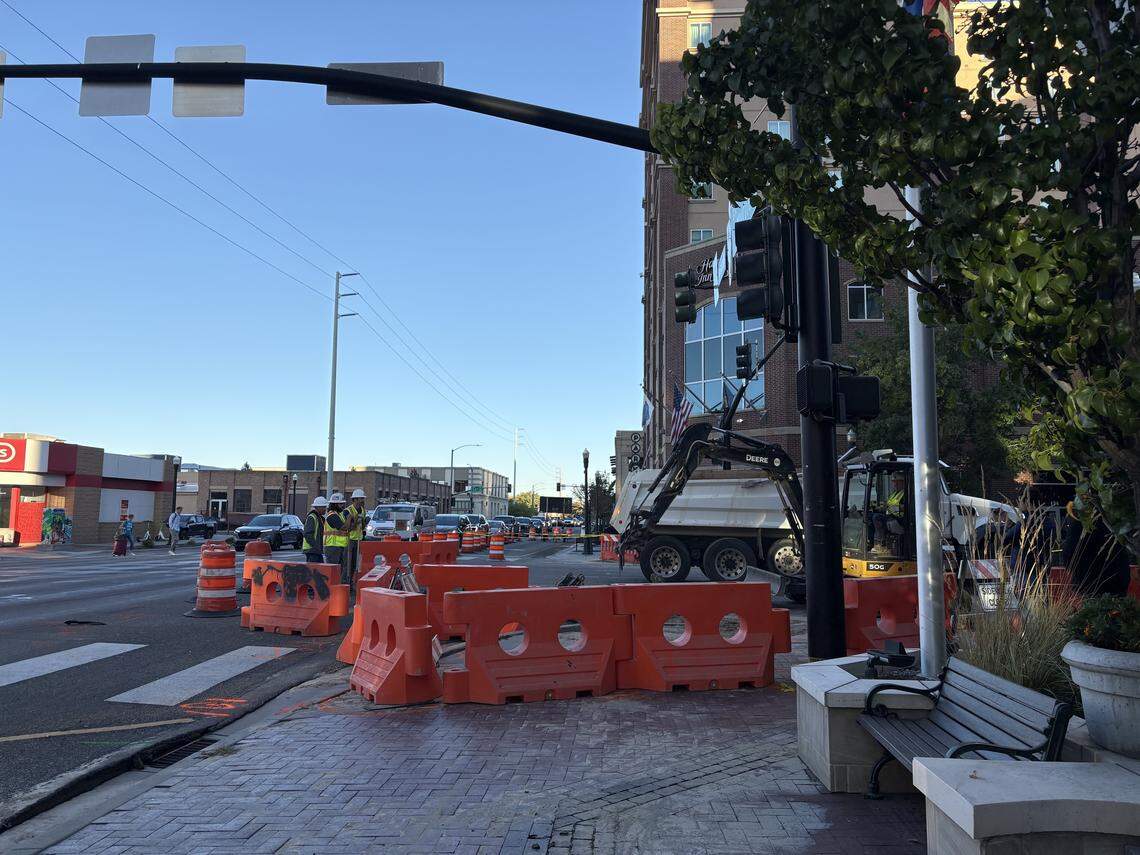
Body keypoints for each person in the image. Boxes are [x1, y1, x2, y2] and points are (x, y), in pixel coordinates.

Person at [324, 493, 350, 584]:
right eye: (340, 504)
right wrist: (349, 518)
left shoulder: (339, 515)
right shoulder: (332, 516)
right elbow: (344, 527)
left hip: (339, 546)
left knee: (339, 570)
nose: (343, 506)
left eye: (343, 503)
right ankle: (331, 588)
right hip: (332, 546)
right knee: (333, 571)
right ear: (335, 504)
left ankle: (336, 587)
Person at [346, 488, 368, 590]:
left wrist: (364, 522)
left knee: (356, 563)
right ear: (355, 499)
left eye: (363, 498)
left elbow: (363, 526)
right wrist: (355, 521)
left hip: (359, 539)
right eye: (361, 498)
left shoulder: (363, 510)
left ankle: (353, 582)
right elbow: (348, 527)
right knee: (349, 562)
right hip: (350, 539)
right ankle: (348, 582)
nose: (362, 501)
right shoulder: (348, 510)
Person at [302, 496, 328, 564]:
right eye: (324, 507)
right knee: (314, 569)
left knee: (319, 568)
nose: (325, 509)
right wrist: (316, 547)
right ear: (318, 507)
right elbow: (308, 534)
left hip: (315, 550)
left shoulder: (319, 518)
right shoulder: (312, 517)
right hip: (312, 550)